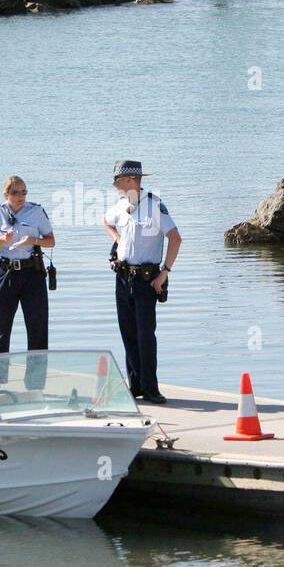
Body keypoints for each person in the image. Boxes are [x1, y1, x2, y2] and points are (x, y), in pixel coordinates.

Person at [102, 160, 181, 405]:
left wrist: (164, 273)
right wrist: (117, 239)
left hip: (146, 279)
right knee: (128, 333)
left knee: (145, 334)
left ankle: (150, 387)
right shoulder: (121, 206)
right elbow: (106, 221)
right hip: (123, 277)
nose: (115, 185)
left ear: (131, 180)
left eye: (118, 180)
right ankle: (134, 385)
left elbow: (175, 238)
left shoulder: (154, 205)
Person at [0, 176, 55, 389]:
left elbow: (51, 241)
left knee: (37, 328)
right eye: (15, 193)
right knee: (1, 326)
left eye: (24, 192)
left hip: (31, 274)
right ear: (6, 195)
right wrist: (1, 241)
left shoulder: (36, 211)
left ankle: (35, 385)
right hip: (5, 273)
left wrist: (34, 240)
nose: (21, 197)